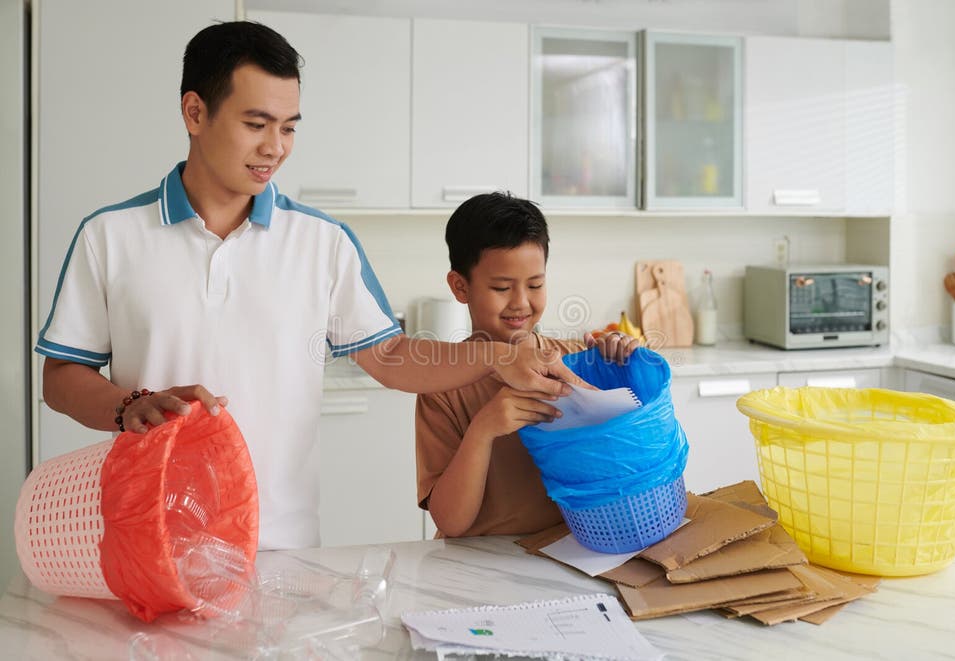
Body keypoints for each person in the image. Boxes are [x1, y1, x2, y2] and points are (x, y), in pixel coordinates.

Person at [35, 22, 588, 551]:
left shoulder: (323, 242)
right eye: (257, 124)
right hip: (150, 536)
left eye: (289, 126)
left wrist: (495, 358)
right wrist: (130, 405)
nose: (276, 146)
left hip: (281, 544)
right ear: (194, 111)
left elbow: (392, 357)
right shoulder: (109, 236)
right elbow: (61, 377)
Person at [416, 192, 639, 538]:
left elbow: (627, 453)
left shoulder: (574, 359)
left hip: (574, 553)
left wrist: (622, 364)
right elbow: (451, 523)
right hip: (483, 565)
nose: (521, 303)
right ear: (461, 286)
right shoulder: (443, 387)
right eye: (502, 287)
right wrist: (483, 429)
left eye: (535, 284)